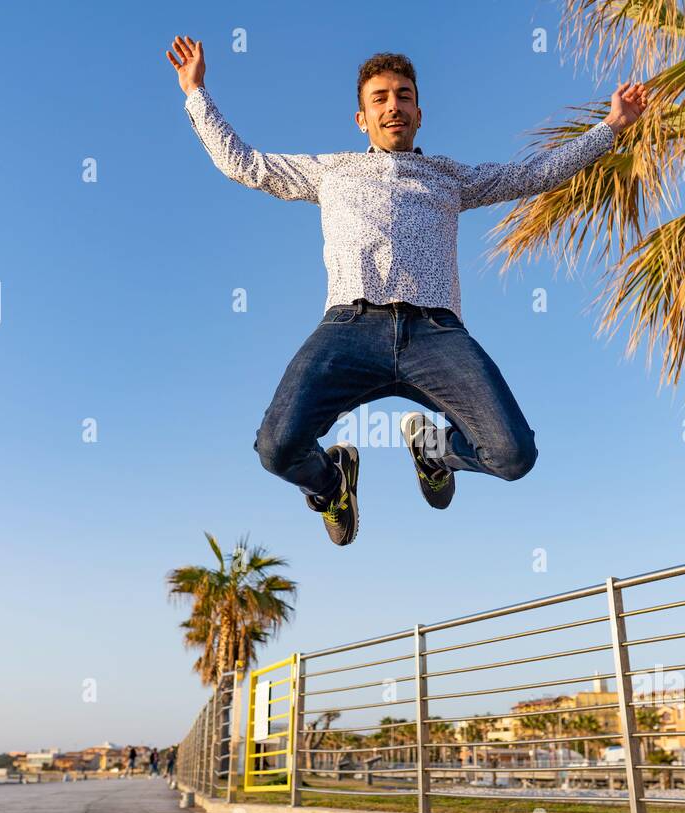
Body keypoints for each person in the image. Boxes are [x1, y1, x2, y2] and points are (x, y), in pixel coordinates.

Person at [169, 37, 648, 546]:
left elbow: (531, 174)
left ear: (419, 112)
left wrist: (611, 126)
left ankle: (434, 452)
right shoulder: (330, 171)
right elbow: (245, 163)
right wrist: (196, 91)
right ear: (362, 119)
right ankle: (332, 484)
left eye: (403, 96)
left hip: (436, 334)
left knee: (512, 455)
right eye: (379, 98)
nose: (392, 106)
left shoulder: (450, 177)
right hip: (348, 330)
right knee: (276, 446)